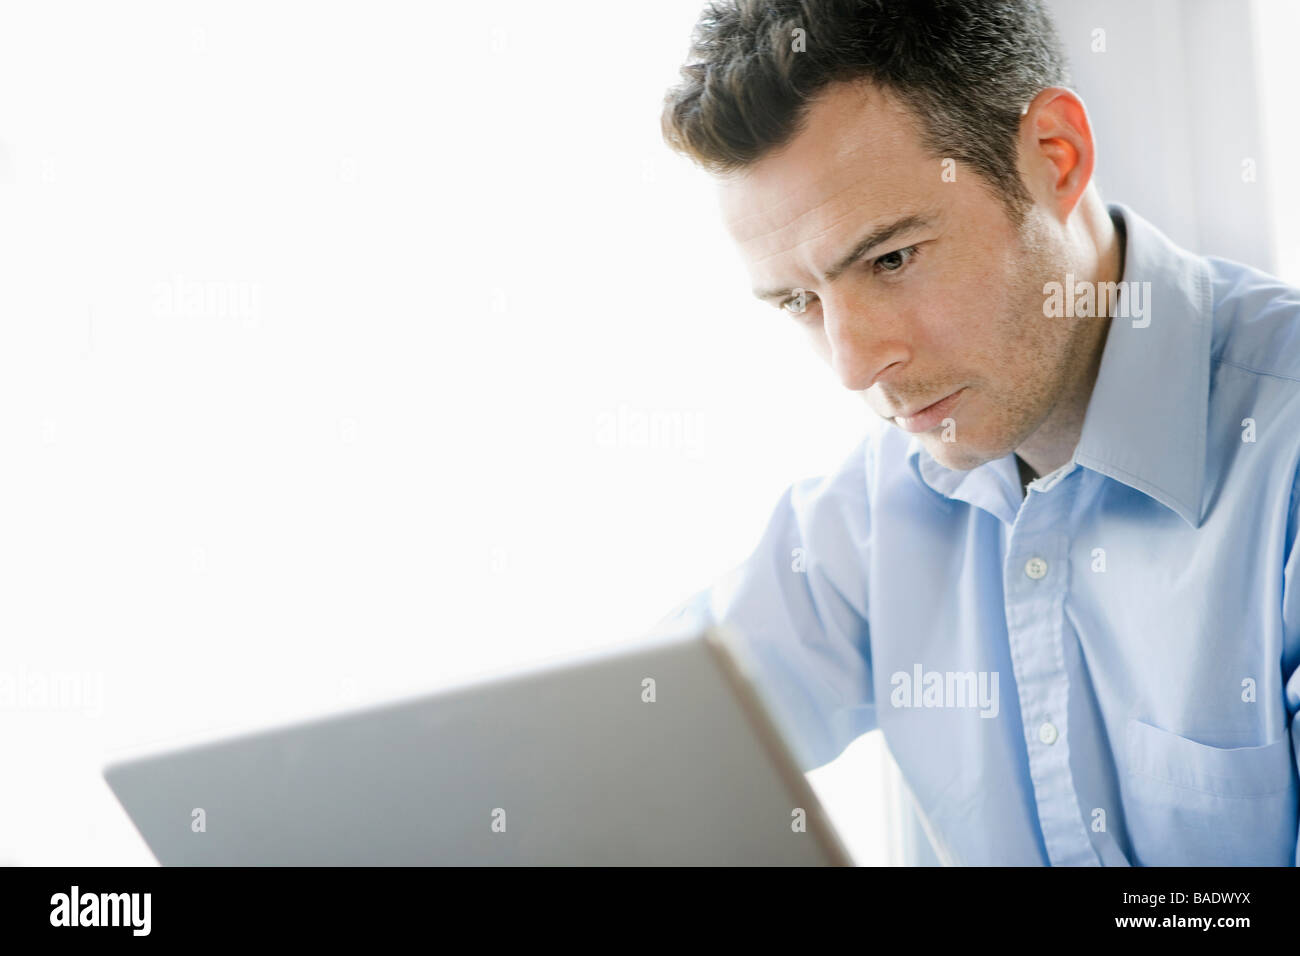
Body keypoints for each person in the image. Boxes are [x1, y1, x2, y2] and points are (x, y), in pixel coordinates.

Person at [658, 0, 1300, 865]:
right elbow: (628, 735)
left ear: (1054, 158)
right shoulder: (874, 511)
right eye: (801, 303)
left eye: (891, 259)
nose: (854, 366)